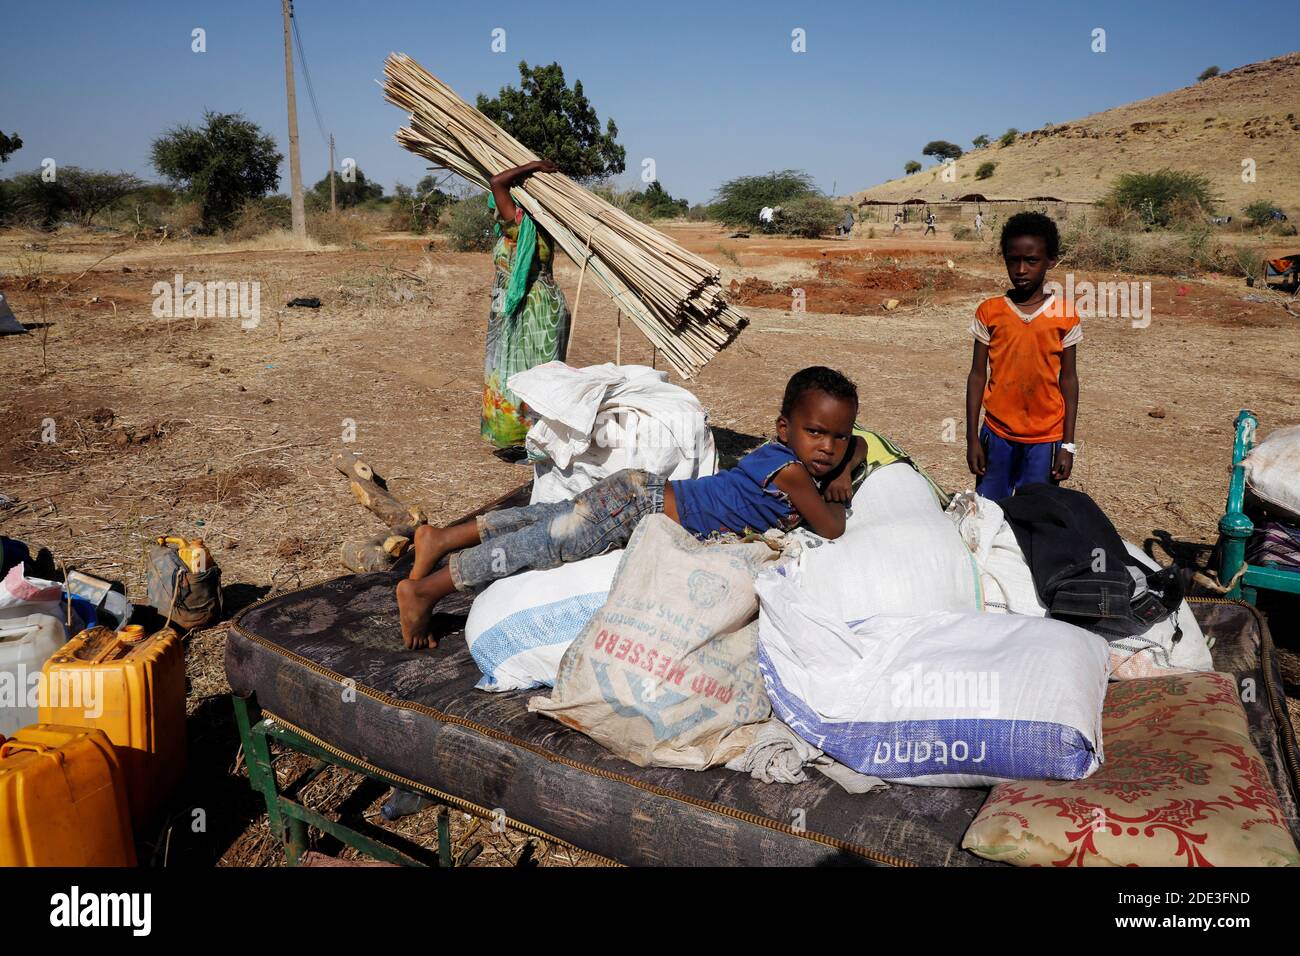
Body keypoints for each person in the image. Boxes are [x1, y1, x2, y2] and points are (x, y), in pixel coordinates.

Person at [396, 367, 869, 648]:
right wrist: (836, 492)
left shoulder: (794, 456)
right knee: (548, 544)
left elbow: (865, 445)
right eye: (816, 432)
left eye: (838, 436)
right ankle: (430, 590)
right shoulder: (791, 473)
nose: (829, 447)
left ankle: (439, 538)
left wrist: (845, 471)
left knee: (547, 517)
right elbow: (831, 529)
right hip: (640, 507)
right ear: (785, 428)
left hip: (640, 492)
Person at [965, 212, 1080, 501]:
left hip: (1045, 438)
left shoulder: (1064, 315)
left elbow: (1068, 380)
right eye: (1012, 260)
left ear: (1051, 260)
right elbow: (978, 375)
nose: (1020, 269)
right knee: (989, 510)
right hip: (997, 433)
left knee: (1035, 514)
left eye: (1031, 261)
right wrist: (972, 439)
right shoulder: (990, 312)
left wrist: (1068, 445)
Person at [480, 159, 571, 454]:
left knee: (515, 371)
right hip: (545, 304)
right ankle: (536, 438)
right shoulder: (543, 228)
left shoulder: (518, 225)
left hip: (527, 309)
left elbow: (497, 181)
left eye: (496, 204)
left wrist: (533, 166)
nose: (494, 208)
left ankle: (523, 439)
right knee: (538, 371)